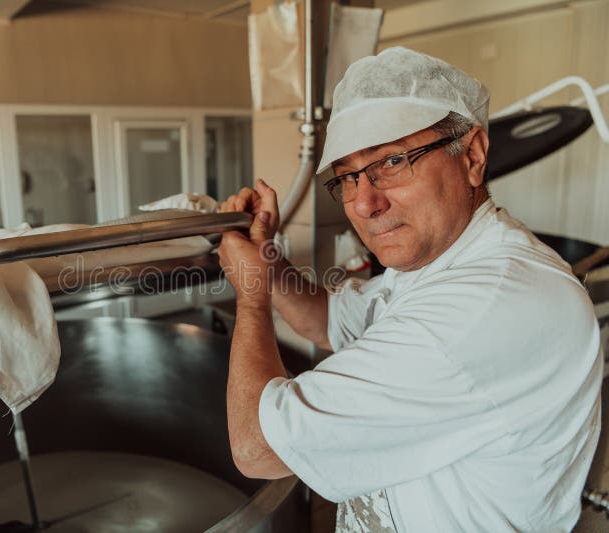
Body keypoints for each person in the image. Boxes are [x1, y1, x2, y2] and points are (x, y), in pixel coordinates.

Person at [217, 47, 602, 532]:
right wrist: (266, 254)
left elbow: (256, 446)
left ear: (473, 158)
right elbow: (327, 322)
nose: (364, 202)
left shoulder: (489, 305)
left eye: (393, 161)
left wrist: (250, 290)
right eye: (348, 177)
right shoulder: (437, 262)